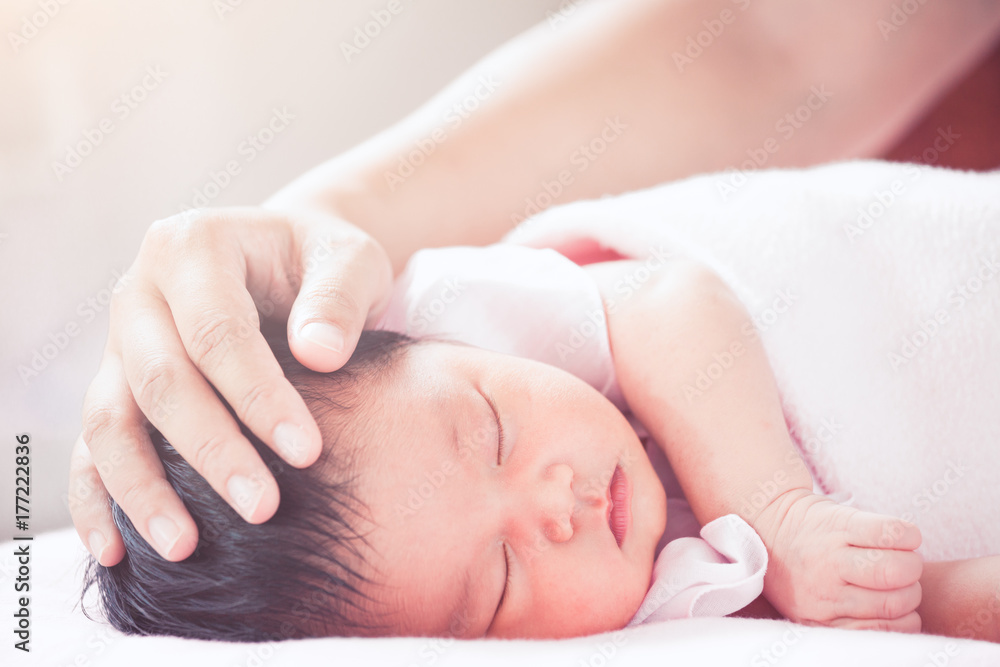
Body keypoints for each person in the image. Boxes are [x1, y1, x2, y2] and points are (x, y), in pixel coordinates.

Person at [68, 0, 1000, 628]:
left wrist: (778, 511)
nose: (556, 504)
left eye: (494, 427)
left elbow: (669, 302)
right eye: (499, 581)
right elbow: (771, 45)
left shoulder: (471, 317)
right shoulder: (639, 607)